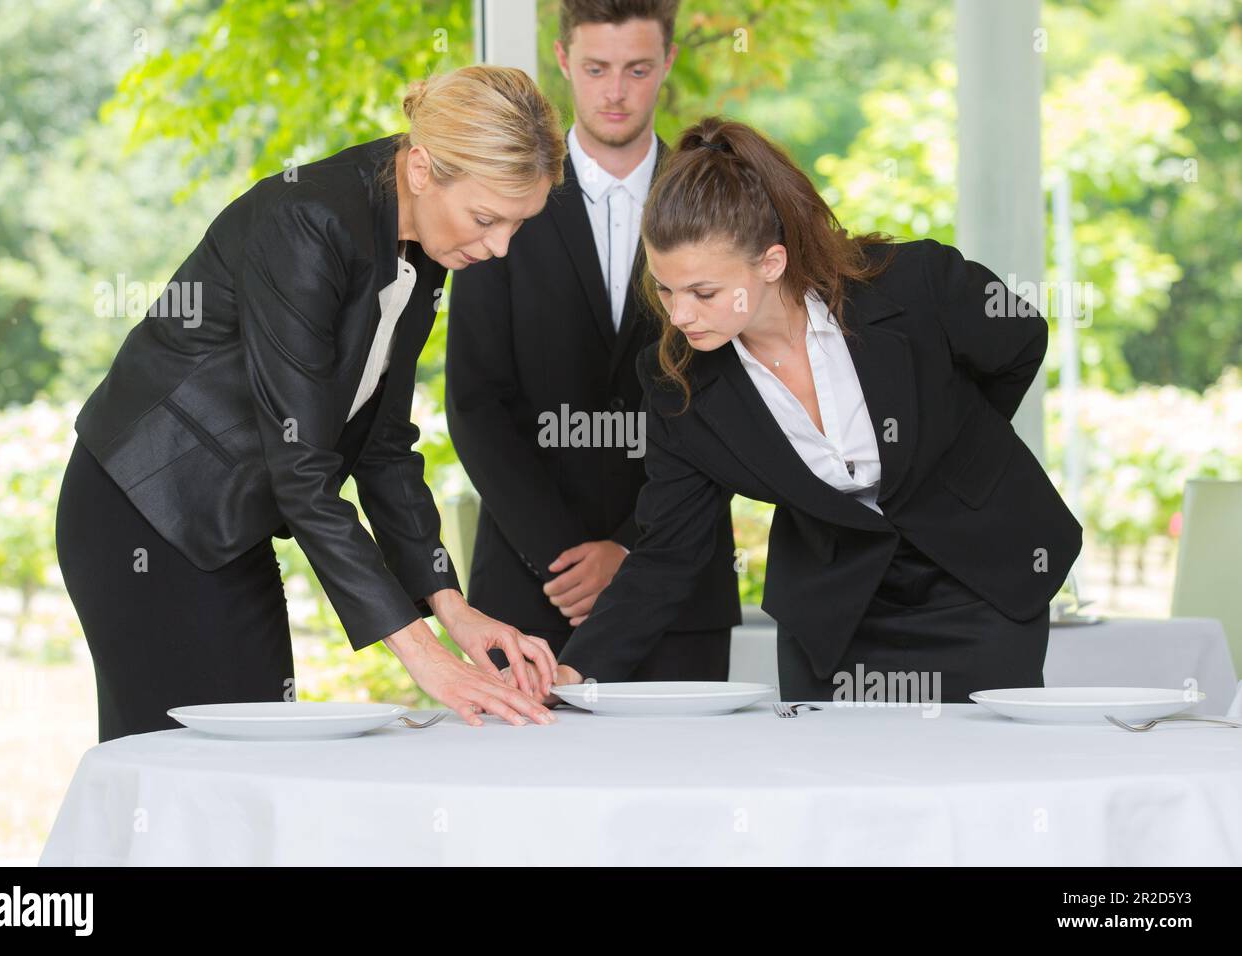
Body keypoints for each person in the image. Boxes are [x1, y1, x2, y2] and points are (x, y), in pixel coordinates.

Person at [56, 66, 567, 742]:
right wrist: (425, 656)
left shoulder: (425, 248)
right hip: (143, 512)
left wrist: (454, 609)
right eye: (486, 218)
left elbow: (383, 446)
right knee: (188, 769)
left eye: (516, 224)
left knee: (254, 758)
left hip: (228, 526)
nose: (500, 246)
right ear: (422, 169)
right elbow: (303, 467)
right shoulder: (308, 222)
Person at [524, 117, 1082, 703]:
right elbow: (668, 552)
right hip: (835, 612)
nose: (679, 316)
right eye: (665, 290)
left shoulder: (916, 284)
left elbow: (1019, 341)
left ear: (771, 262)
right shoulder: (676, 384)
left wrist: (953, 441)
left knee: (982, 783)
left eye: (703, 293)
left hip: (980, 582)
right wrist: (574, 673)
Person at [446, 0, 740, 680]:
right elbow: (474, 401)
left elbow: (734, 399)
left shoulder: (716, 202)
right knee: (522, 787)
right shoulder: (504, 198)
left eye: (637, 70)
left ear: (666, 61)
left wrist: (634, 550)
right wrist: (563, 558)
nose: (615, 92)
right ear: (562, 62)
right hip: (530, 591)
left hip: (680, 584)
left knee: (679, 785)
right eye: (596, 68)